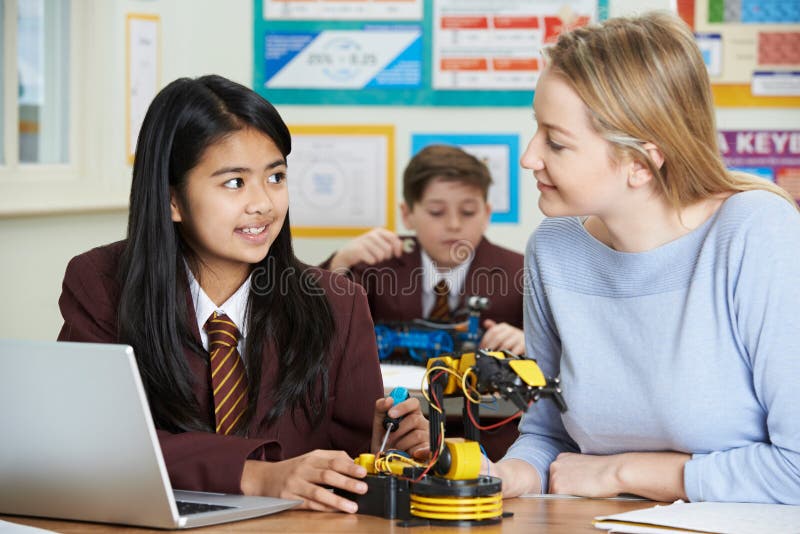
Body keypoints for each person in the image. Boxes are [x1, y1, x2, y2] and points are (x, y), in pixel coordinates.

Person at [57, 75, 429, 513]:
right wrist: (255, 475)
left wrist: (388, 446)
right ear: (171, 198)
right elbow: (91, 442)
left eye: (275, 177)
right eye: (235, 183)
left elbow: (349, 463)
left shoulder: (337, 302)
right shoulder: (100, 283)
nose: (264, 204)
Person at [490, 12, 800, 505]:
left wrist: (621, 472)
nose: (529, 156)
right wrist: (511, 473)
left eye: (556, 141)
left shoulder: (756, 232)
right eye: (537, 130)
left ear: (639, 163)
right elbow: (550, 433)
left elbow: (796, 469)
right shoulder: (553, 248)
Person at [324, 144, 525, 355]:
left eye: (468, 212)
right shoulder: (375, 265)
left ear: (486, 214)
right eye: (436, 212)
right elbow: (316, 326)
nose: (454, 224)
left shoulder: (521, 273)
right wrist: (340, 263)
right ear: (407, 214)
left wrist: (531, 342)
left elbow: (555, 347)